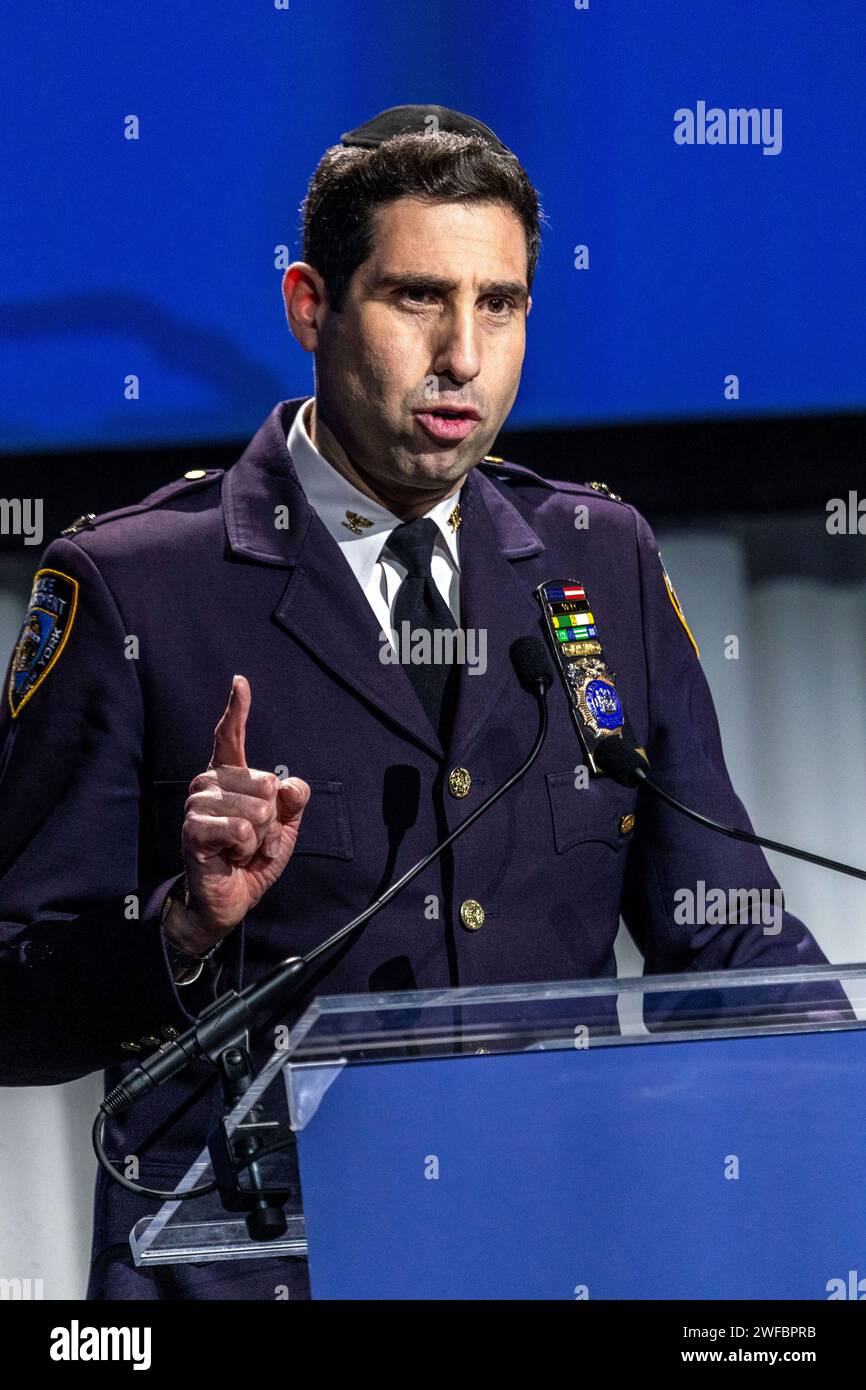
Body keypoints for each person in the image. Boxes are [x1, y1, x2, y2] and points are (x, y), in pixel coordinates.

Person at [0, 105, 841, 1301]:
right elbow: (14, 998)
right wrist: (184, 924)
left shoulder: (594, 560)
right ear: (308, 304)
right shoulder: (135, 588)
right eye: (414, 299)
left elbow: (727, 938)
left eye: (496, 305)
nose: (461, 355)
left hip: (556, 1264)